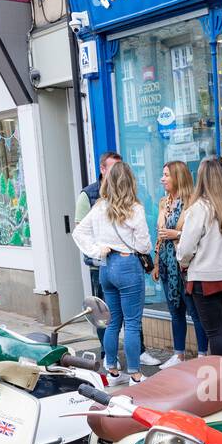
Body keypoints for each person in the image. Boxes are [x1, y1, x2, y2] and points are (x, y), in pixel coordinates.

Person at [72, 160, 153, 385]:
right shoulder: (135, 209)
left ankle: (113, 372)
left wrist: (97, 250)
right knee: (133, 323)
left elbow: (78, 233)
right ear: (130, 182)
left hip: (106, 266)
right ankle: (135, 375)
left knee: (113, 322)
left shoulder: (99, 207)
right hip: (127, 266)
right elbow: (144, 246)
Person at [178, 157, 222, 357]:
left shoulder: (199, 208)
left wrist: (183, 262)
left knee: (215, 333)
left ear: (202, 178)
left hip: (206, 280)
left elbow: (186, 248)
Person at [154, 160, 207, 367]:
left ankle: (203, 355)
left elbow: (201, 235)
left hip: (186, 267)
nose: (162, 178)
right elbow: (159, 235)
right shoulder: (163, 202)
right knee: (175, 311)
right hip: (168, 266)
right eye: (163, 174)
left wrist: (176, 234)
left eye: (166, 175)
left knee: (195, 313)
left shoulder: (193, 203)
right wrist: (157, 263)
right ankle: (179, 355)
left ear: (178, 177)